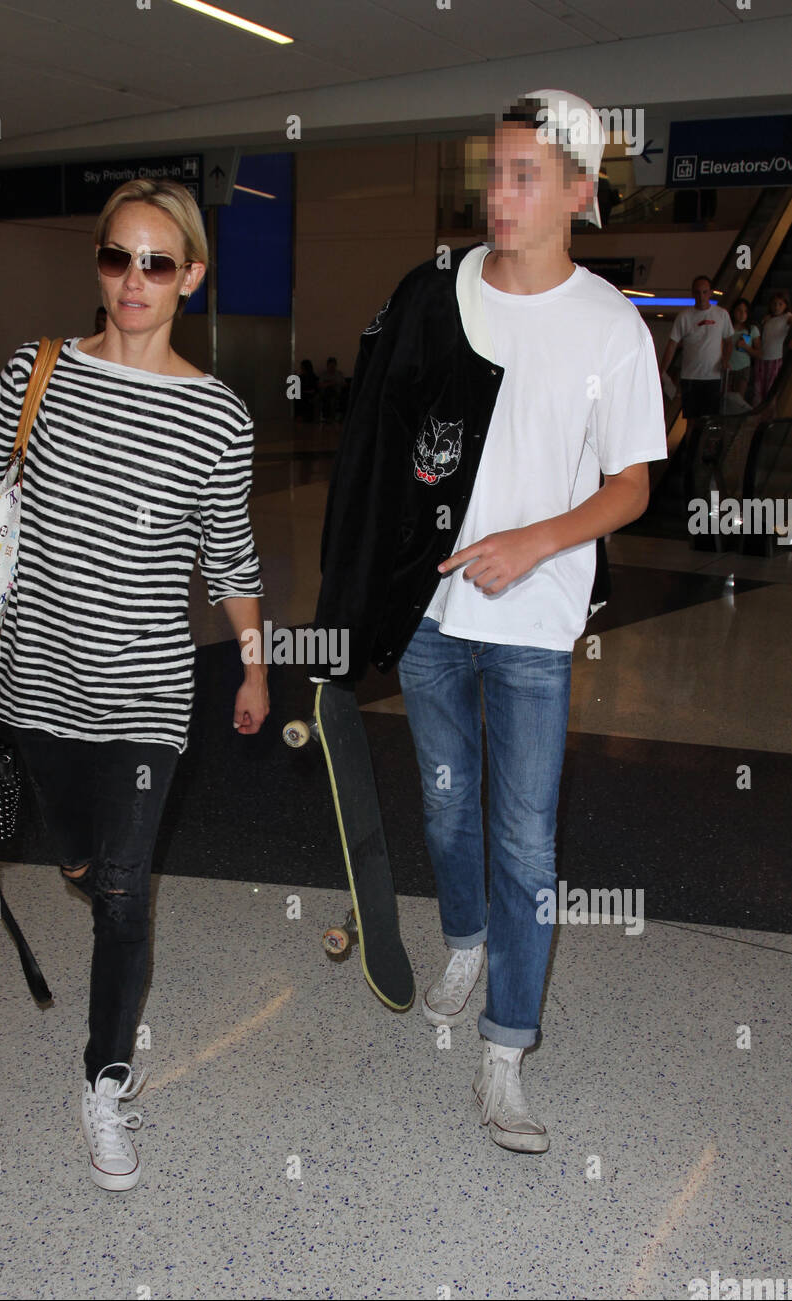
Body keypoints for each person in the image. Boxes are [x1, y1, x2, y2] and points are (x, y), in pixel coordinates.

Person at [312, 89, 666, 1154]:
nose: (498, 195)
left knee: (524, 837)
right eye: (492, 171)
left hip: (534, 618)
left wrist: (532, 542)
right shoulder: (436, 292)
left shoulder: (611, 326)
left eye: (524, 176)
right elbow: (381, 446)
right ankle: (462, 938)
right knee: (446, 805)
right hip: (432, 609)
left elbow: (632, 487)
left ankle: (507, 1050)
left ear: (578, 192)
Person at [0, 178, 269, 1192]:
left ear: (191, 276)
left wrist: (253, 659)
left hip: (151, 700)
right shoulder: (37, 373)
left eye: (157, 263)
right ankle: (86, 860)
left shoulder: (218, 415)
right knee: (79, 858)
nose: (133, 280)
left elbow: (231, 553)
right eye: (117, 257)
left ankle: (102, 1081)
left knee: (124, 894)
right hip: (36, 692)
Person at [660, 276, 733, 475]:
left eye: (704, 292)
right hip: (691, 377)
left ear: (710, 293)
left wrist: (726, 358)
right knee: (691, 420)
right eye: (697, 292)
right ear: (693, 294)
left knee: (710, 419)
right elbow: (672, 345)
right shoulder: (684, 317)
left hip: (713, 377)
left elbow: (729, 340)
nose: (701, 296)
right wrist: (661, 370)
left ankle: (708, 455)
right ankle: (692, 456)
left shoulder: (721, 315)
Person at [750, 289, 791, 408]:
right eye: (774, 304)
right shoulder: (768, 318)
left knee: (770, 391)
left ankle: (768, 419)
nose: (776, 307)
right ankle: (756, 418)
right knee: (758, 391)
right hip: (762, 358)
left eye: (780, 304)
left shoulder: (787, 317)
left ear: (785, 305)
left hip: (775, 359)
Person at [727, 298, 758, 402]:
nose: (742, 314)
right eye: (739, 310)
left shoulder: (752, 329)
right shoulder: (727, 328)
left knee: (739, 399)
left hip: (743, 367)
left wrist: (746, 347)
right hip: (727, 367)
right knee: (726, 398)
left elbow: (759, 353)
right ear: (733, 311)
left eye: (745, 311)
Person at [318, 356, 345, 423]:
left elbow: (344, 384)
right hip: (325, 393)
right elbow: (320, 385)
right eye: (330, 365)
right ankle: (327, 416)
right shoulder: (323, 374)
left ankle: (331, 416)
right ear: (327, 366)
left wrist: (337, 383)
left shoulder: (339, 374)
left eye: (333, 365)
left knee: (334, 395)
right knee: (328, 391)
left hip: (337, 393)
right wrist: (330, 383)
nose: (332, 367)